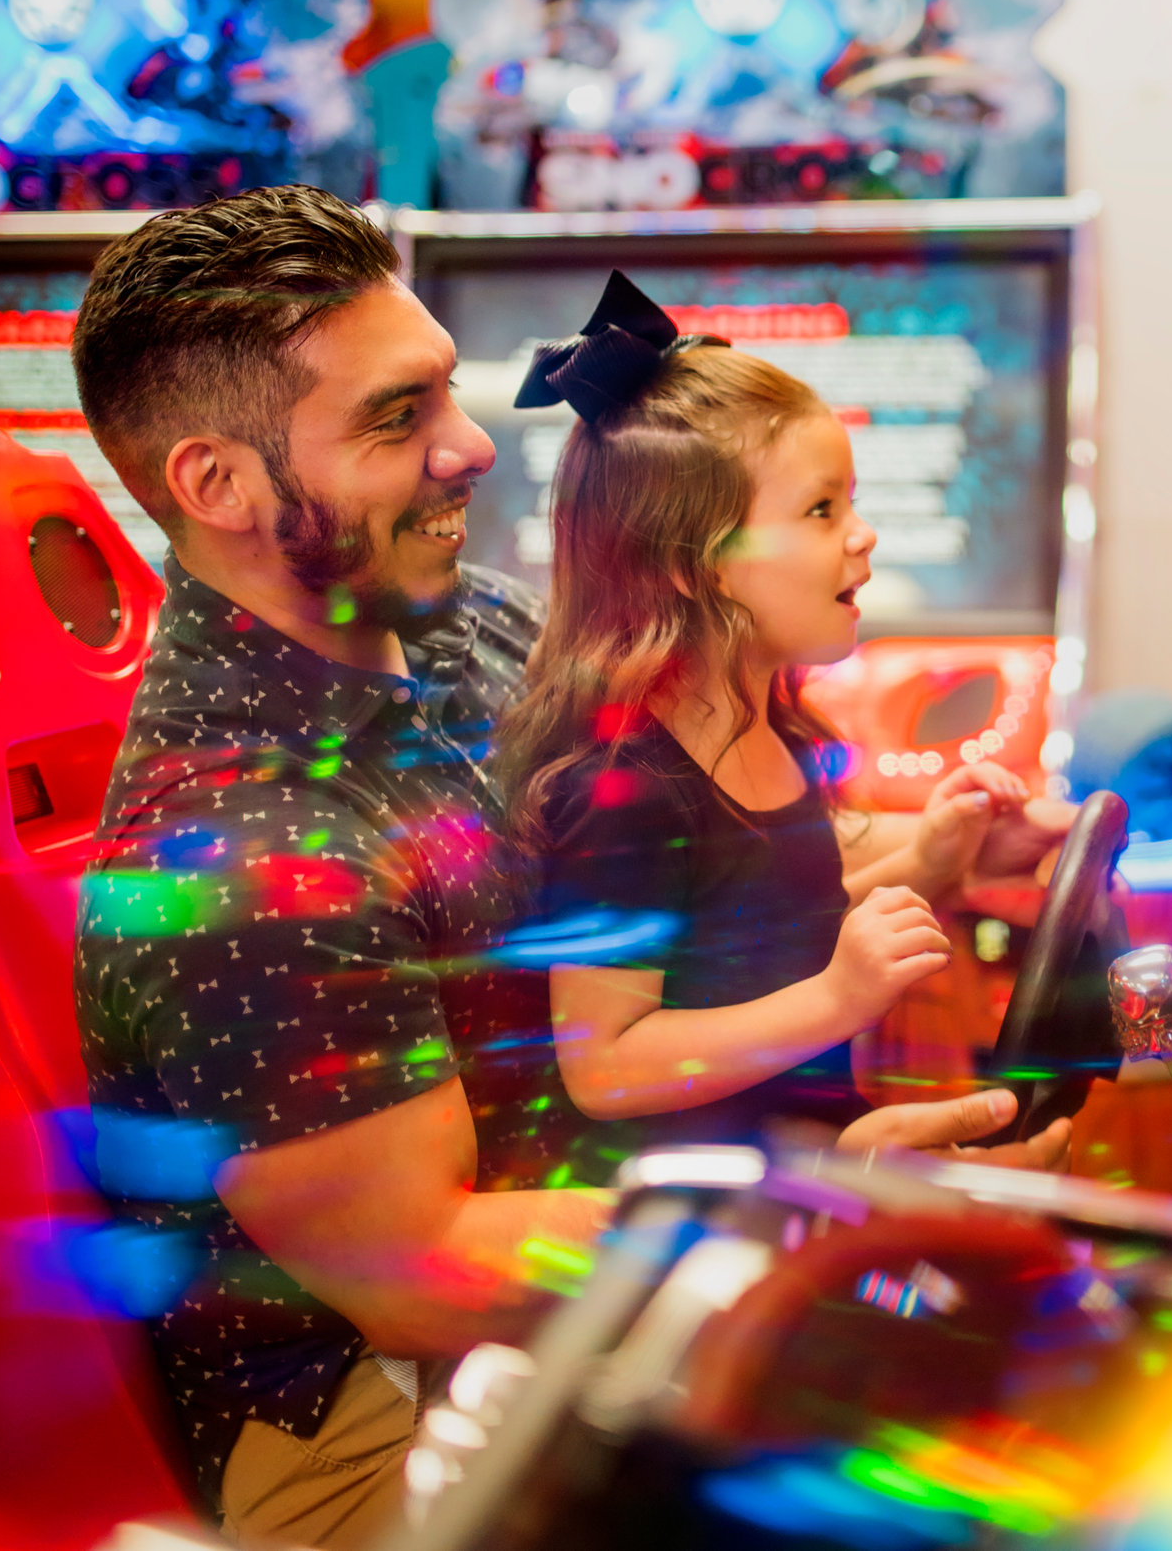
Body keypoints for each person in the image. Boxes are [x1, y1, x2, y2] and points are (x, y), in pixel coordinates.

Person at [70, 190, 1064, 1547]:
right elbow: (422, 1275)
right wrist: (819, 1205)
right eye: (395, 417)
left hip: (605, 1283)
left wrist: (932, 854)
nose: (472, 445)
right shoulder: (244, 853)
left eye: (446, 396)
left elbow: (694, 879)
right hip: (383, 1433)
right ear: (218, 484)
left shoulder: (461, 623)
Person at [491, 274, 1078, 1152]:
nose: (863, 533)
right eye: (820, 510)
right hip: (705, 1222)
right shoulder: (627, 793)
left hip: (811, 1159)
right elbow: (607, 1065)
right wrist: (837, 999)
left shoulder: (771, 732)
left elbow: (767, 940)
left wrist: (931, 861)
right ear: (697, 563)